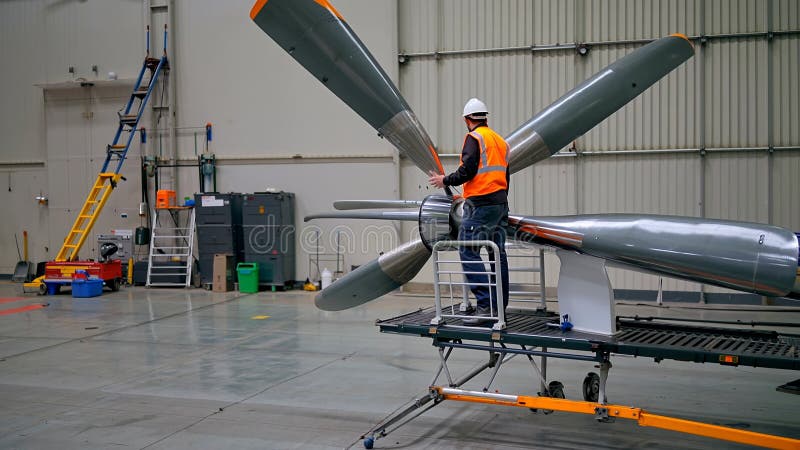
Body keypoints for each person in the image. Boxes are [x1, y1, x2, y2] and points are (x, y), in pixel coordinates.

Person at [429, 98, 510, 326]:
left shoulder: (474, 138)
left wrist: (444, 179)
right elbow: (505, 176)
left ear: (467, 120)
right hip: (500, 204)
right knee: (497, 254)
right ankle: (499, 307)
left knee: (467, 249)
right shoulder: (501, 142)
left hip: (480, 205)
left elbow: (467, 170)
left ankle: (484, 306)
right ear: (485, 117)